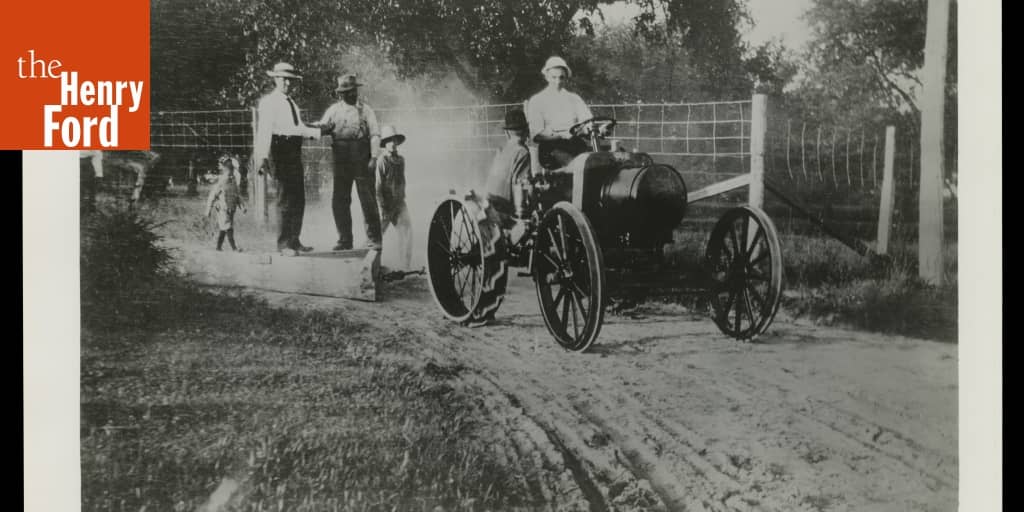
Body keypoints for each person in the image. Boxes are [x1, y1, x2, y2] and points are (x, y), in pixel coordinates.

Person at [253, 62, 328, 257]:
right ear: (275, 79)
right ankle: (284, 244)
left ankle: (295, 240)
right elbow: (264, 132)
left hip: (293, 150)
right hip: (280, 150)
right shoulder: (269, 102)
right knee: (285, 197)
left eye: (290, 79)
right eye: (283, 78)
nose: (287, 82)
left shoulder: (291, 103)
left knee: (298, 197)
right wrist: (262, 156)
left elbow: (299, 128)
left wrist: (321, 130)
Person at [318, 73, 383, 251]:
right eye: (346, 92)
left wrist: (374, 158)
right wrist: (311, 128)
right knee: (340, 200)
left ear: (357, 90)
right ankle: (345, 239)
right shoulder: (333, 111)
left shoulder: (366, 110)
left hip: (362, 159)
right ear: (340, 94)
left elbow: (375, 134)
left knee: (367, 199)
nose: (351, 95)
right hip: (341, 160)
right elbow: (321, 127)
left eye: (353, 91)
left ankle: (374, 239)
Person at [526, 56, 594, 169]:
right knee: (578, 167)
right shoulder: (537, 100)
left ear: (566, 78)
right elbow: (536, 135)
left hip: (575, 144)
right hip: (550, 149)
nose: (558, 82)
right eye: (554, 77)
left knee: (595, 162)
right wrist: (561, 136)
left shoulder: (574, 98)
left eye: (561, 77)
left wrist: (594, 128)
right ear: (546, 77)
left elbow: (588, 121)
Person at [373, 125, 413, 270]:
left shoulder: (401, 160)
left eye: (395, 140)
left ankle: (405, 267)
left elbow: (402, 181)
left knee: (407, 232)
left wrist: (402, 199)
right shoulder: (382, 161)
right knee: (376, 236)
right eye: (389, 141)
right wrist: (381, 206)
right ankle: (371, 265)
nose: (393, 144)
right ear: (385, 144)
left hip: (399, 203)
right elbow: (377, 187)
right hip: (385, 205)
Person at [483, 109, 531, 222]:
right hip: (506, 210)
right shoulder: (522, 152)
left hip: (491, 204)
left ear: (507, 133)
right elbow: (520, 184)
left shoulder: (501, 151)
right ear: (526, 131)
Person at [205, 155, 246, 251]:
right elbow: (212, 196)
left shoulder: (234, 181)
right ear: (224, 169)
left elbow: (237, 195)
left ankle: (218, 247)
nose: (231, 172)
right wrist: (208, 210)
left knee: (224, 228)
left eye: (232, 170)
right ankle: (234, 248)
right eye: (228, 170)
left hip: (231, 209)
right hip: (223, 208)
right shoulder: (221, 181)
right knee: (228, 227)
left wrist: (242, 206)